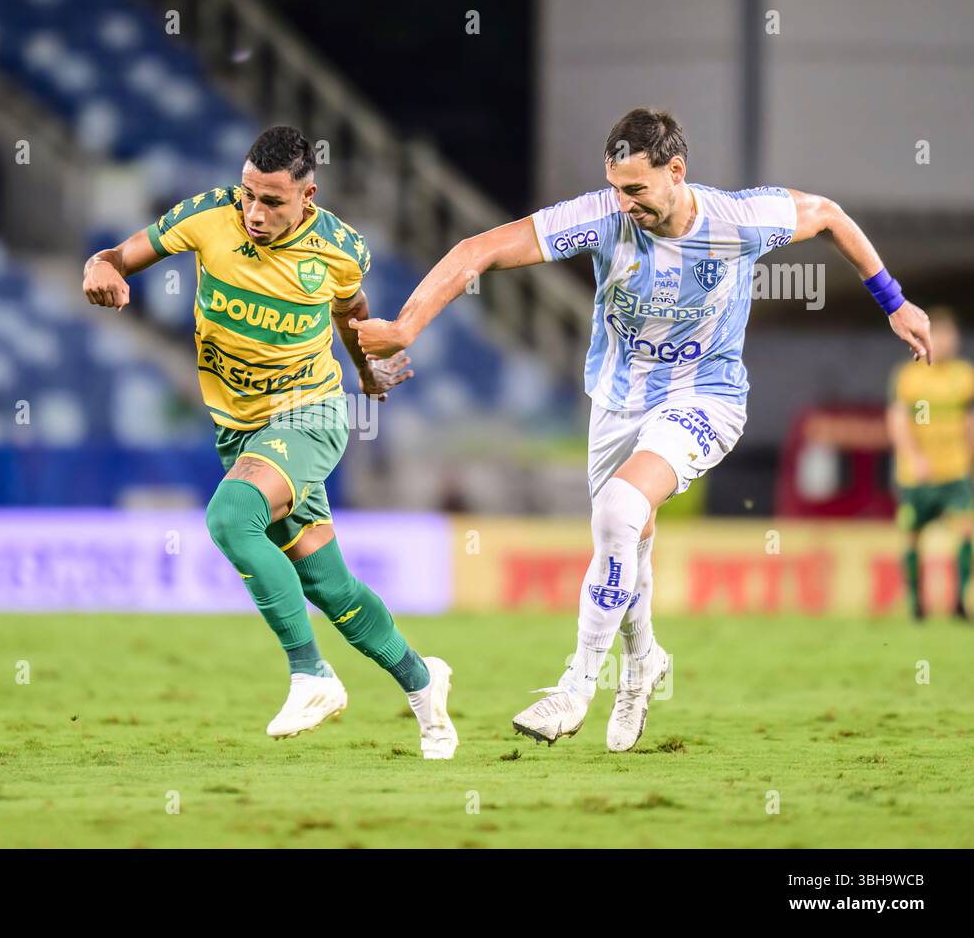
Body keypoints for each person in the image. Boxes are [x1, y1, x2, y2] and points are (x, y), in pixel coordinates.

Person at [352, 108, 932, 751]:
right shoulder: (603, 215)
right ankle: (644, 665)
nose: (623, 202)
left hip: (706, 398)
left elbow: (826, 214)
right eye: (615, 187)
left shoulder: (738, 220)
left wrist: (894, 301)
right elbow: (478, 250)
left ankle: (576, 687)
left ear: (675, 172)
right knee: (626, 540)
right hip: (617, 402)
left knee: (622, 509)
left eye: (636, 189)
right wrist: (406, 327)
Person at [81, 126, 457, 759]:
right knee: (330, 587)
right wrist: (97, 268)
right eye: (249, 195)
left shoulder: (340, 249)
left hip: (310, 415)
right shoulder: (207, 216)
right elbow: (118, 256)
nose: (255, 213)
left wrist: (366, 371)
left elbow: (350, 308)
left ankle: (311, 674)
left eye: (273, 202)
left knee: (230, 517)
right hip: (239, 431)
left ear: (308, 196)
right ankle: (426, 687)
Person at [886, 307, 974, 621]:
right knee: (912, 534)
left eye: (952, 335)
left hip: (955, 470)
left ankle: (959, 603)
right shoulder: (909, 376)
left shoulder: (964, 376)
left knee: (967, 532)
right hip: (917, 475)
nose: (948, 340)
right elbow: (897, 422)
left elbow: (968, 421)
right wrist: (914, 458)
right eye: (941, 333)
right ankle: (915, 604)